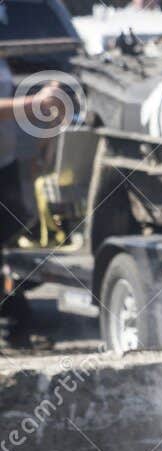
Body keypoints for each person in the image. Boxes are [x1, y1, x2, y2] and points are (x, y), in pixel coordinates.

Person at [0, 63, 70, 348]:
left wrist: (53, 86)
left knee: (12, 236)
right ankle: (14, 322)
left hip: (4, 166)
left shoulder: (7, 56)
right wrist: (35, 103)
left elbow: (48, 75)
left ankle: (15, 324)